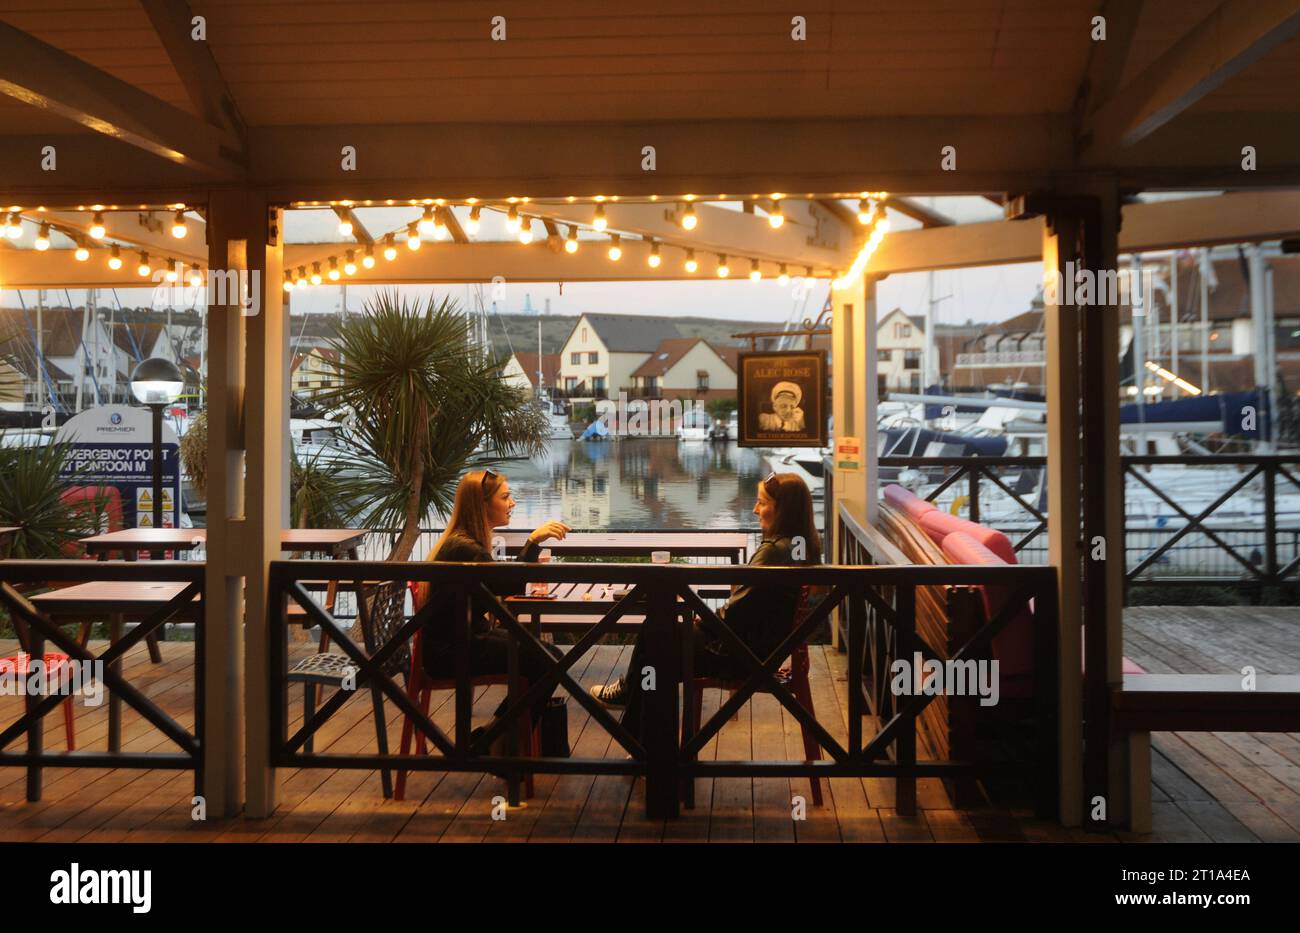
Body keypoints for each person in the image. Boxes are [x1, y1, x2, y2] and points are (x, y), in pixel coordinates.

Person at [590, 471, 822, 736]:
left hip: (740, 656)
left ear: (782, 510)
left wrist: (702, 618)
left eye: (762, 502)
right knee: (657, 643)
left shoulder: (773, 551)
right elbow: (748, 607)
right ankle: (639, 730)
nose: (755, 509)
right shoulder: (799, 546)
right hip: (761, 652)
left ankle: (641, 733)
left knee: (655, 638)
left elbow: (734, 613)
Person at [415, 468, 571, 735]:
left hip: (463, 640)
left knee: (551, 656)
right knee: (547, 662)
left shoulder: (463, 542)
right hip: (451, 652)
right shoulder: (465, 548)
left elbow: (500, 583)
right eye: (506, 497)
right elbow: (506, 584)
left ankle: (496, 737)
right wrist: (533, 541)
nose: (513, 503)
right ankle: (498, 742)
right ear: (482, 504)